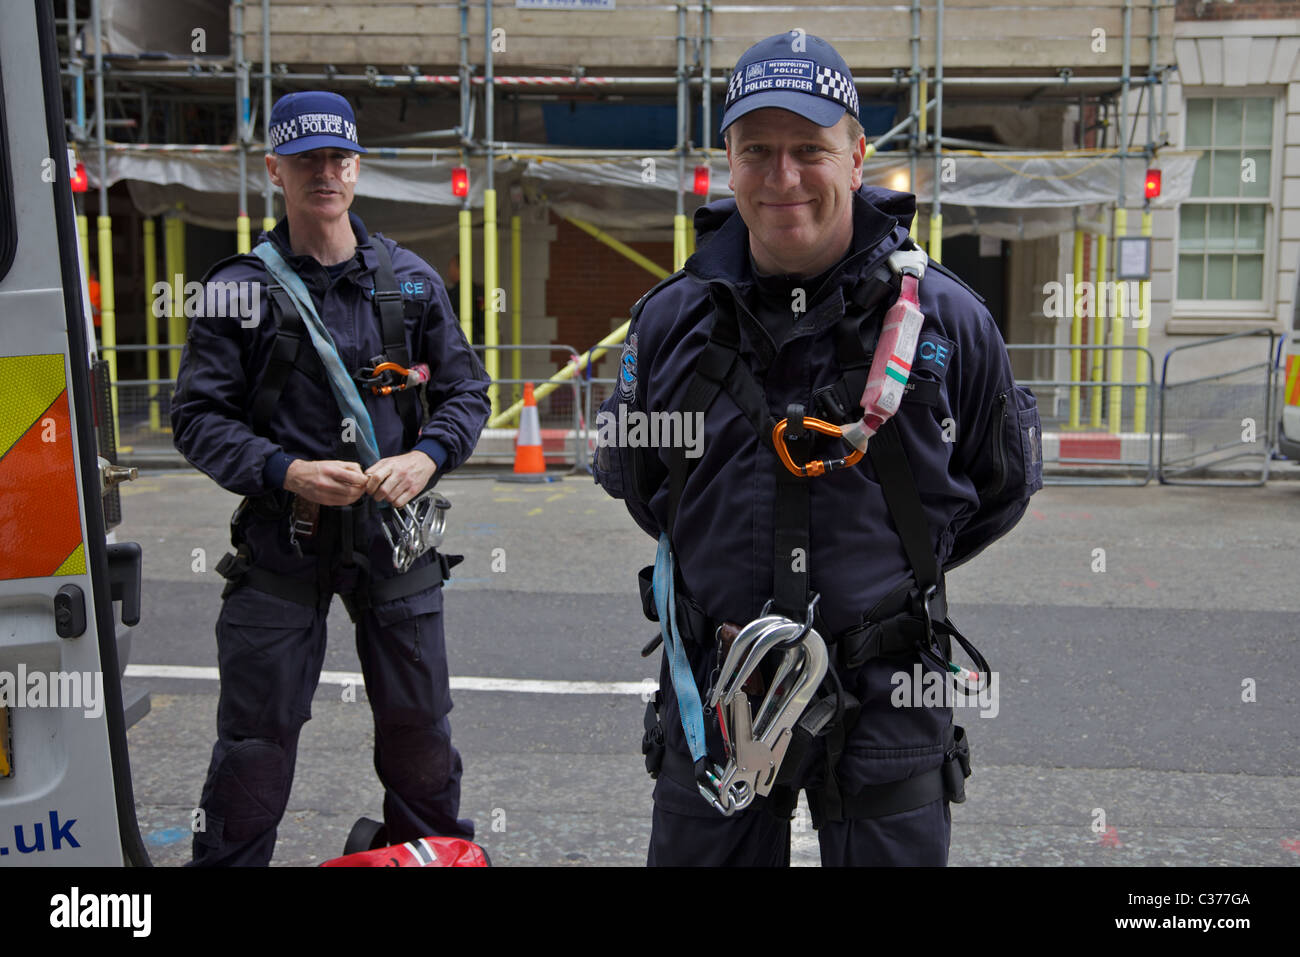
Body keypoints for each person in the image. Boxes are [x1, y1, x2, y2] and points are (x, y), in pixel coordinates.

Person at [593, 33, 1042, 866]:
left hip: (891, 688)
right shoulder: (668, 324)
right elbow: (642, 481)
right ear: (726, 159)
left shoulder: (948, 321)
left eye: (810, 148)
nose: (783, 176)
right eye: (757, 149)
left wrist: (891, 581)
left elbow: (998, 484)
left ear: (858, 154)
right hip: (718, 683)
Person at [171, 90, 490, 866]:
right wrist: (285, 470)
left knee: (420, 734)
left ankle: (425, 858)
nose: (325, 172)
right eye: (307, 159)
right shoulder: (237, 288)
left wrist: (426, 457)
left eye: (338, 157)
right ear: (275, 168)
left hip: (393, 542)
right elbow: (197, 418)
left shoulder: (410, 281)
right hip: (284, 541)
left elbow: (466, 392)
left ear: (356, 167)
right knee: (254, 743)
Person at [445, 254, 486, 348]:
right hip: (478, 340)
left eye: (451, 267)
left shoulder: (455, 293)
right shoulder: (478, 289)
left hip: (459, 341)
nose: (448, 272)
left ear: (459, 269)